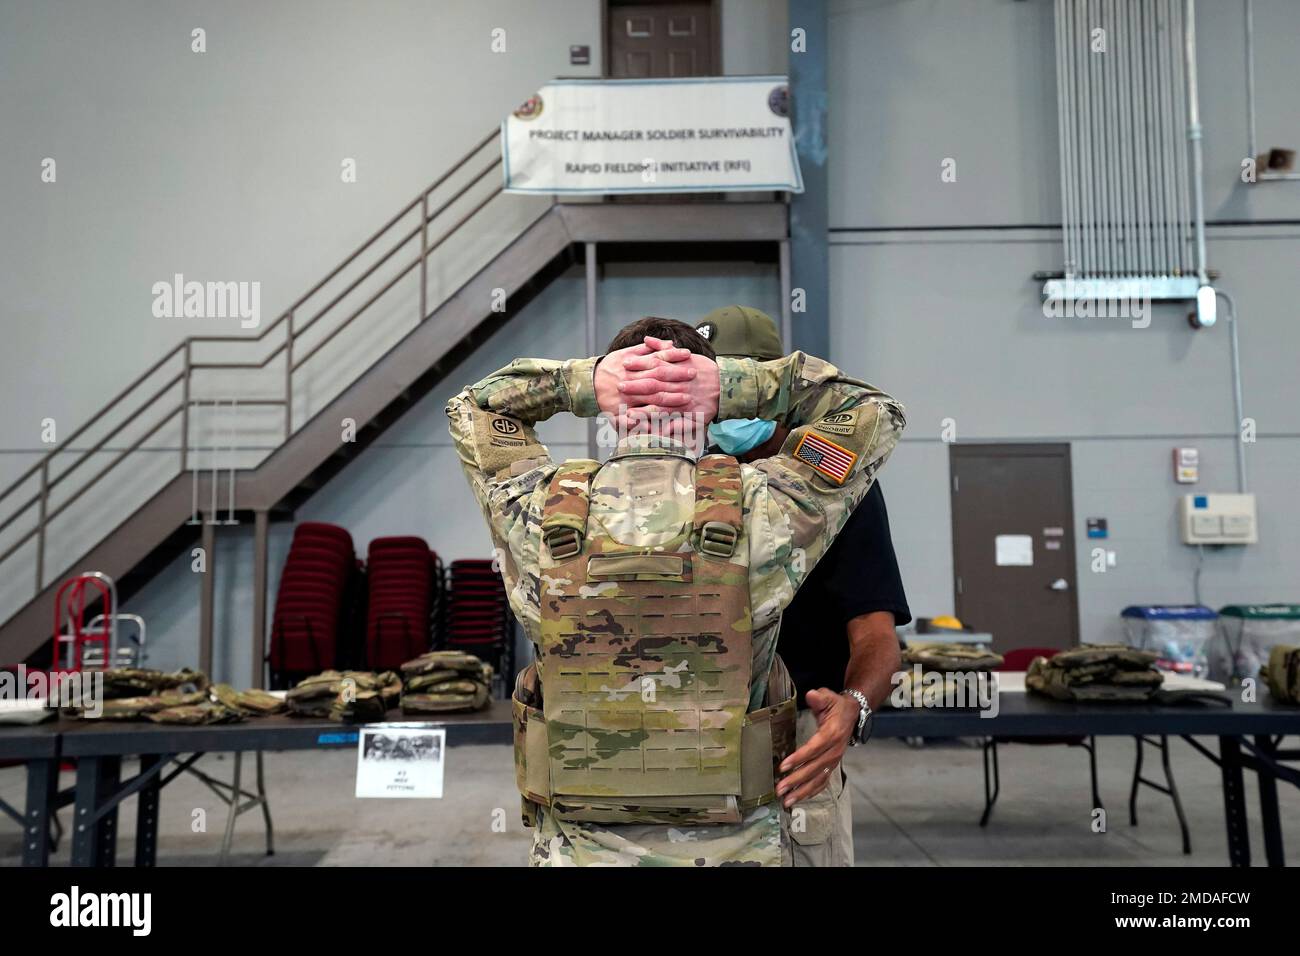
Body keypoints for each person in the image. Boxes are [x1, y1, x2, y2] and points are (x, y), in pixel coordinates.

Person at [446, 316, 905, 866]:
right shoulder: (768, 509)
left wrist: (581, 383)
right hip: (738, 845)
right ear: (712, 404)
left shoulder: (538, 507)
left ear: (612, 408)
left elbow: (473, 406)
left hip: (581, 847)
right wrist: (740, 384)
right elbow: (877, 411)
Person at [696, 305, 909, 867]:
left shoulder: (835, 487)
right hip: (691, 758)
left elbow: (876, 632)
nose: (727, 408)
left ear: (778, 389)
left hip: (794, 759)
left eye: (742, 387)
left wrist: (854, 705)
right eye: (716, 389)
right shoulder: (682, 483)